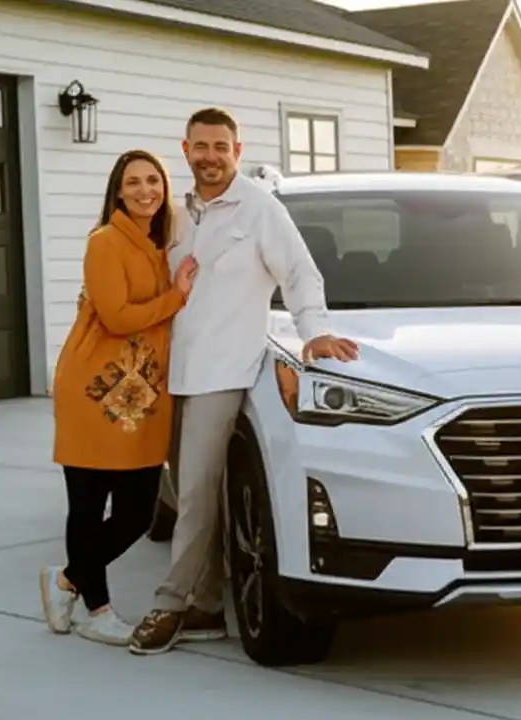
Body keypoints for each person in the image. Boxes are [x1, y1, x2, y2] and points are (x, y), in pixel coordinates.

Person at [129, 107, 358, 655]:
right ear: (185, 150)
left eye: (221, 146)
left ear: (237, 149)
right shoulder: (177, 212)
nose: (211, 156)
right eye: (200, 146)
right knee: (191, 493)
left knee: (196, 497)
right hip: (172, 373)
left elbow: (300, 273)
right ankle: (206, 609)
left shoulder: (260, 210)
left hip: (224, 369)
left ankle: (169, 602)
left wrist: (316, 330)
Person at [39, 150, 198, 645]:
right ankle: (99, 610)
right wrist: (177, 296)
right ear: (118, 190)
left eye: (154, 180)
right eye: (134, 182)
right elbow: (115, 317)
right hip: (94, 392)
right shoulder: (105, 242)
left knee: (137, 513)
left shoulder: (159, 246)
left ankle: (65, 578)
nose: (145, 190)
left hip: (141, 397)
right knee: (87, 507)